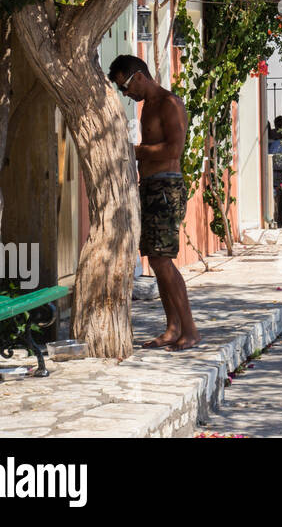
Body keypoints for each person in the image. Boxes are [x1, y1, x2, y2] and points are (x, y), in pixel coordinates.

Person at [108, 54, 199, 351]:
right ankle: (172, 328)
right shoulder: (147, 108)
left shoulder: (169, 103)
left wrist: (135, 151)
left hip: (165, 188)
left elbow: (174, 149)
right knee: (156, 262)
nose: (126, 94)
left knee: (163, 261)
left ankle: (190, 330)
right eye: (122, 90)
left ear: (140, 75)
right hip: (149, 187)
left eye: (126, 86)